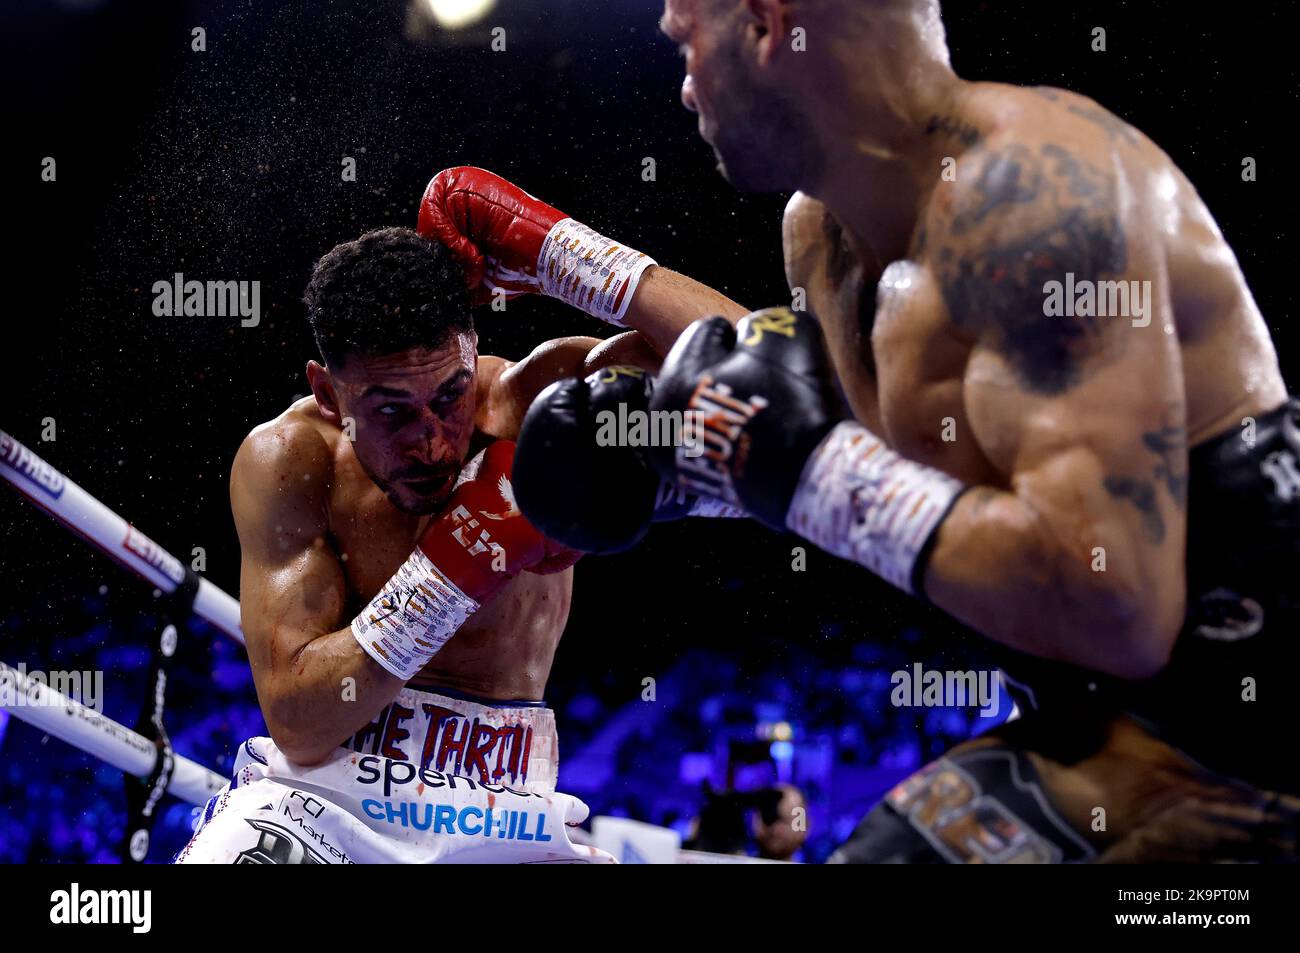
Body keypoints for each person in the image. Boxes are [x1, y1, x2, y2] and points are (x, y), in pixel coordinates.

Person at [513, 0, 1300, 861]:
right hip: (1088, 719)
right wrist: (694, 459)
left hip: (1242, 739)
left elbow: (1118, 612)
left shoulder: (1038, 197)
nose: (684, 79)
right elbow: (869, 457)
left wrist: (797, 464)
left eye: (686, 39)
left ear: (769, 25)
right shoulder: (821, 235)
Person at [177, 201, 747, 862]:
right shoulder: (290, 459)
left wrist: (556, 256)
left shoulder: (540, 408)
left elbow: (755, 367)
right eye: (391, 410)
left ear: (472, 353)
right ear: (329, 392)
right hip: (325, 805)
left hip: (512, 815)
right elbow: (300, 725)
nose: (431, 441)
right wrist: (452, 568)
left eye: (450, 395)